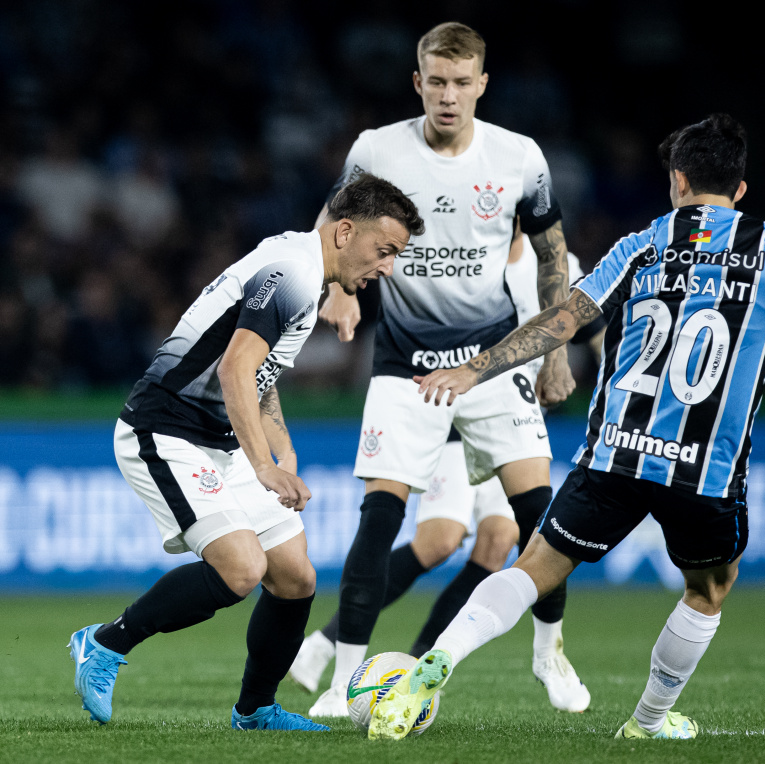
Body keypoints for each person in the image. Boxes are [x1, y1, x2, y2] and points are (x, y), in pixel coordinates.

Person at [367, 113, 765, 742]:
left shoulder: (640, 245)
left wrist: (476, 367)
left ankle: (432, 666)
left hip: (615, 456)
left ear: (677, 180)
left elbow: (560, 320)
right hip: (704, 468)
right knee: (709, 588)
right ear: (740, 189)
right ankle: (648, 722)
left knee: (529, 571)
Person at [303, 21, 588, 717]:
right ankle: (341, 683)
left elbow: (553, 257)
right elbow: (331, 221)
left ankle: (548, 653)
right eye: (436, 82)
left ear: (482, 85)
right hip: (403, 365)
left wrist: (553, 353)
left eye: (462, 83)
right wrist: (338, 288)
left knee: (537, 520)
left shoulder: (519, 158)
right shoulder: (377, 148)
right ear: (417, 82)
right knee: (380, 521)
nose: (448, 96)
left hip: (492, 364)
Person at [68, 174, 424, 731]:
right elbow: (236, 369)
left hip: (218, 439)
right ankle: (104, 643)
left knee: (295, 577)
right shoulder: (295, 273)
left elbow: (259, 372)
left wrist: (281, 452)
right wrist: (263, 467)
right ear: (345, 231)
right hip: (165, 429)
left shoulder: (300, 266)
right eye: (385, 251)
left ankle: (255, 710)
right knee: (241, 569)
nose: (388, 267)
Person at [291, 234, 604, 712]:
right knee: (439, 540)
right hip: (448, 402)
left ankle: (420, 668)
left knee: (505, 538)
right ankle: (327, 642)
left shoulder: (556, 262)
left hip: (509, 405)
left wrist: (608, 368)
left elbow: (587, 322)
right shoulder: (462, 251)